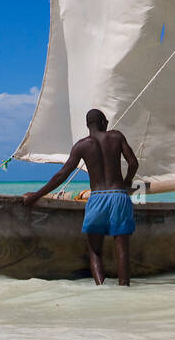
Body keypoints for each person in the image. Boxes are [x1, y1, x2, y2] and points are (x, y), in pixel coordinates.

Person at [22, 109, 139, 285]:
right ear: (102, 123)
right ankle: (124, 289)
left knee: (95, 251)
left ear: (88, 125)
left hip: (97, 198)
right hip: (118, 196)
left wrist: (36, 195)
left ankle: (101, 288)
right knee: (122, 252)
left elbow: (61, 176)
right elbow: (133, 163)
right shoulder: (116, 137)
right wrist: (127, 181)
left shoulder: (81, 146)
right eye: (106, 122)